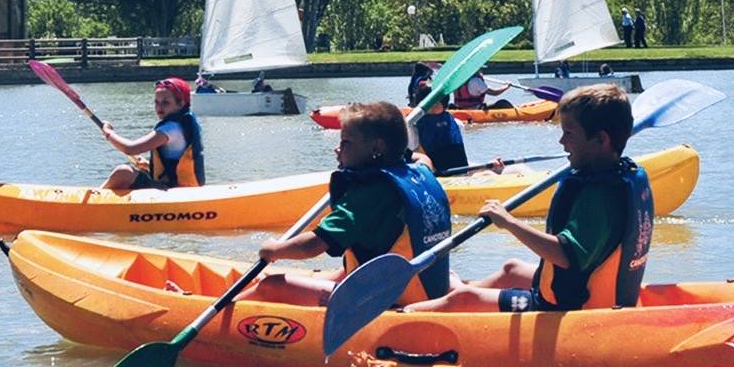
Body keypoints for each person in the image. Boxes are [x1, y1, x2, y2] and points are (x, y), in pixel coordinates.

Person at [409, 84, 653, 314]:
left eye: (569, 133)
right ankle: (452, 290)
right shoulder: (619, 175)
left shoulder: (599, 196)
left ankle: (405, 315)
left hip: (574, 306)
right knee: (511, 270)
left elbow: (565, 255)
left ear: (600, 140)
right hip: (587, 288)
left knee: (466, 301)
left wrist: (509, 222)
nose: (562, 141)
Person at [250, 101, 451, 307]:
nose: (337, 149)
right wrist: (397, 153)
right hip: (427, 289)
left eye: (346, 142)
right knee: (342, 272)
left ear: (377, 147)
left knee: (270, 285)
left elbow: (314, 245)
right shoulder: (421, 171)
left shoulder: (368, 194)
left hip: (389, 301)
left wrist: (273, 250)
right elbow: (421, 157)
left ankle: (217, 323)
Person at [101, 78, 205, 192]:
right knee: (135, 171)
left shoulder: (170, 128)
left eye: (165, 102)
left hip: (174, 192)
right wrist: (148, 165)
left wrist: (109, 133)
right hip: (178, 188)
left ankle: (90, 202)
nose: (159, 107)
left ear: (181, 104)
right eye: (157, 102)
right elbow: (173, 161)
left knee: (123, 172)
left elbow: (130, 149)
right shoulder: (182, 124)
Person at [412, 95, 470, 173]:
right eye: (432, 103)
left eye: (436, 103)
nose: (434, 106)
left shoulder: (456, 123)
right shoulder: (414, 127)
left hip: (458, 170)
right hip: (435, 171)